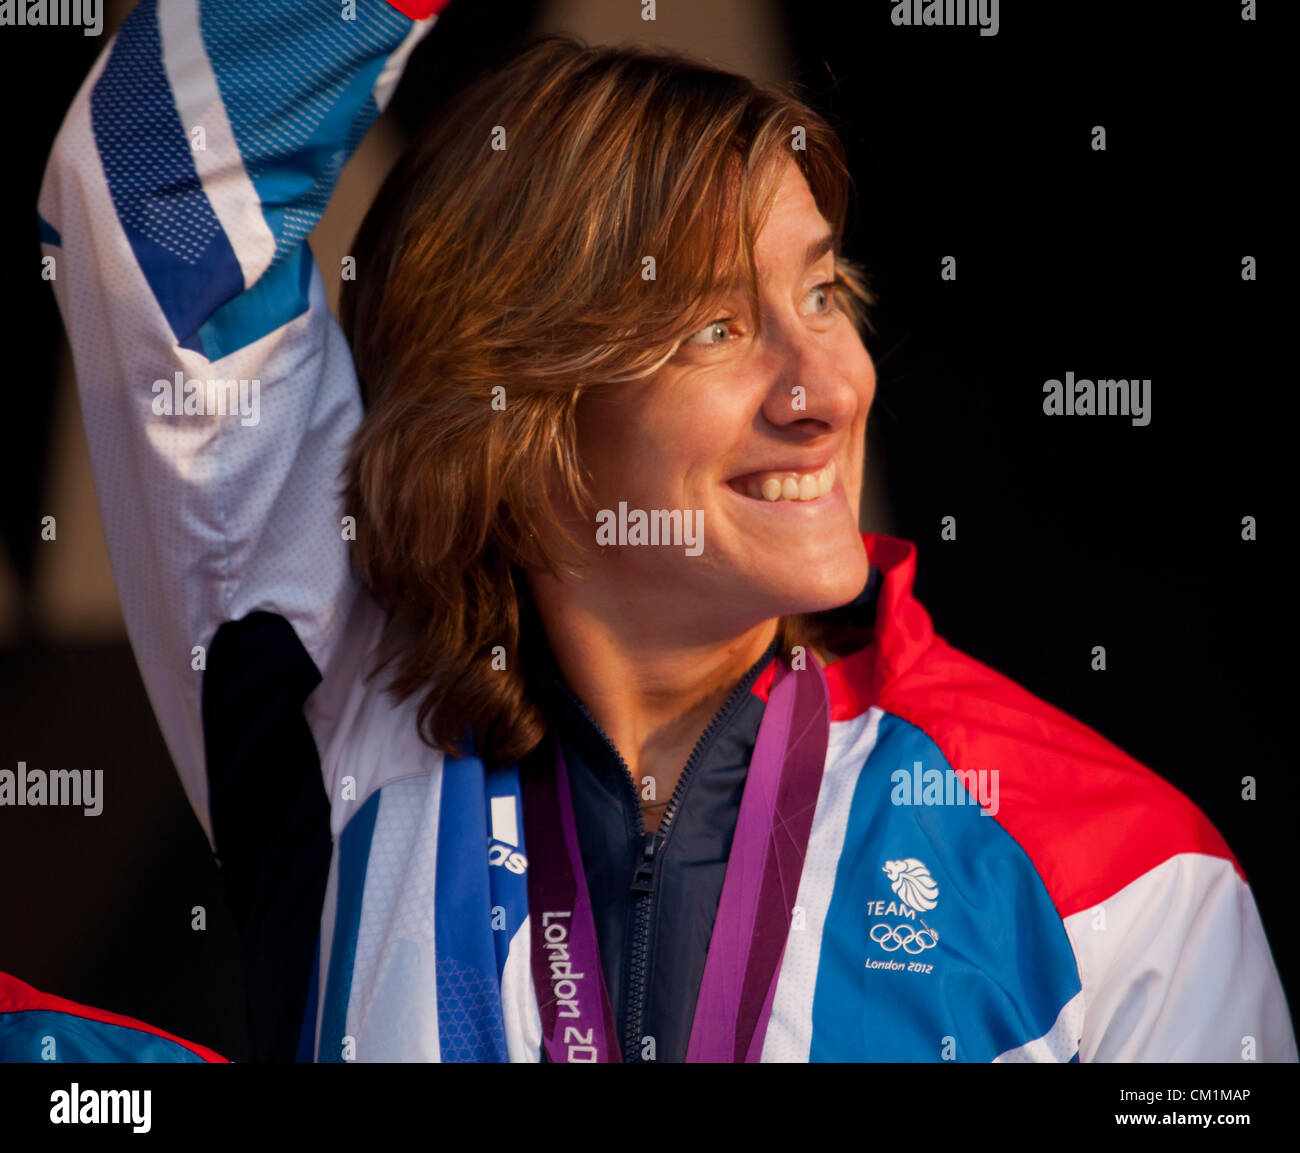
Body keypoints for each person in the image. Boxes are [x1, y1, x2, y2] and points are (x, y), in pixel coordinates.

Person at [26, 0, 1294, 1063]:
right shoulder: (337, 701)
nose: (828, 387)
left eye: (822, 292)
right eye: (720, 327)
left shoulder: (1124, 882)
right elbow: (162, 174)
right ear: (522, 405)